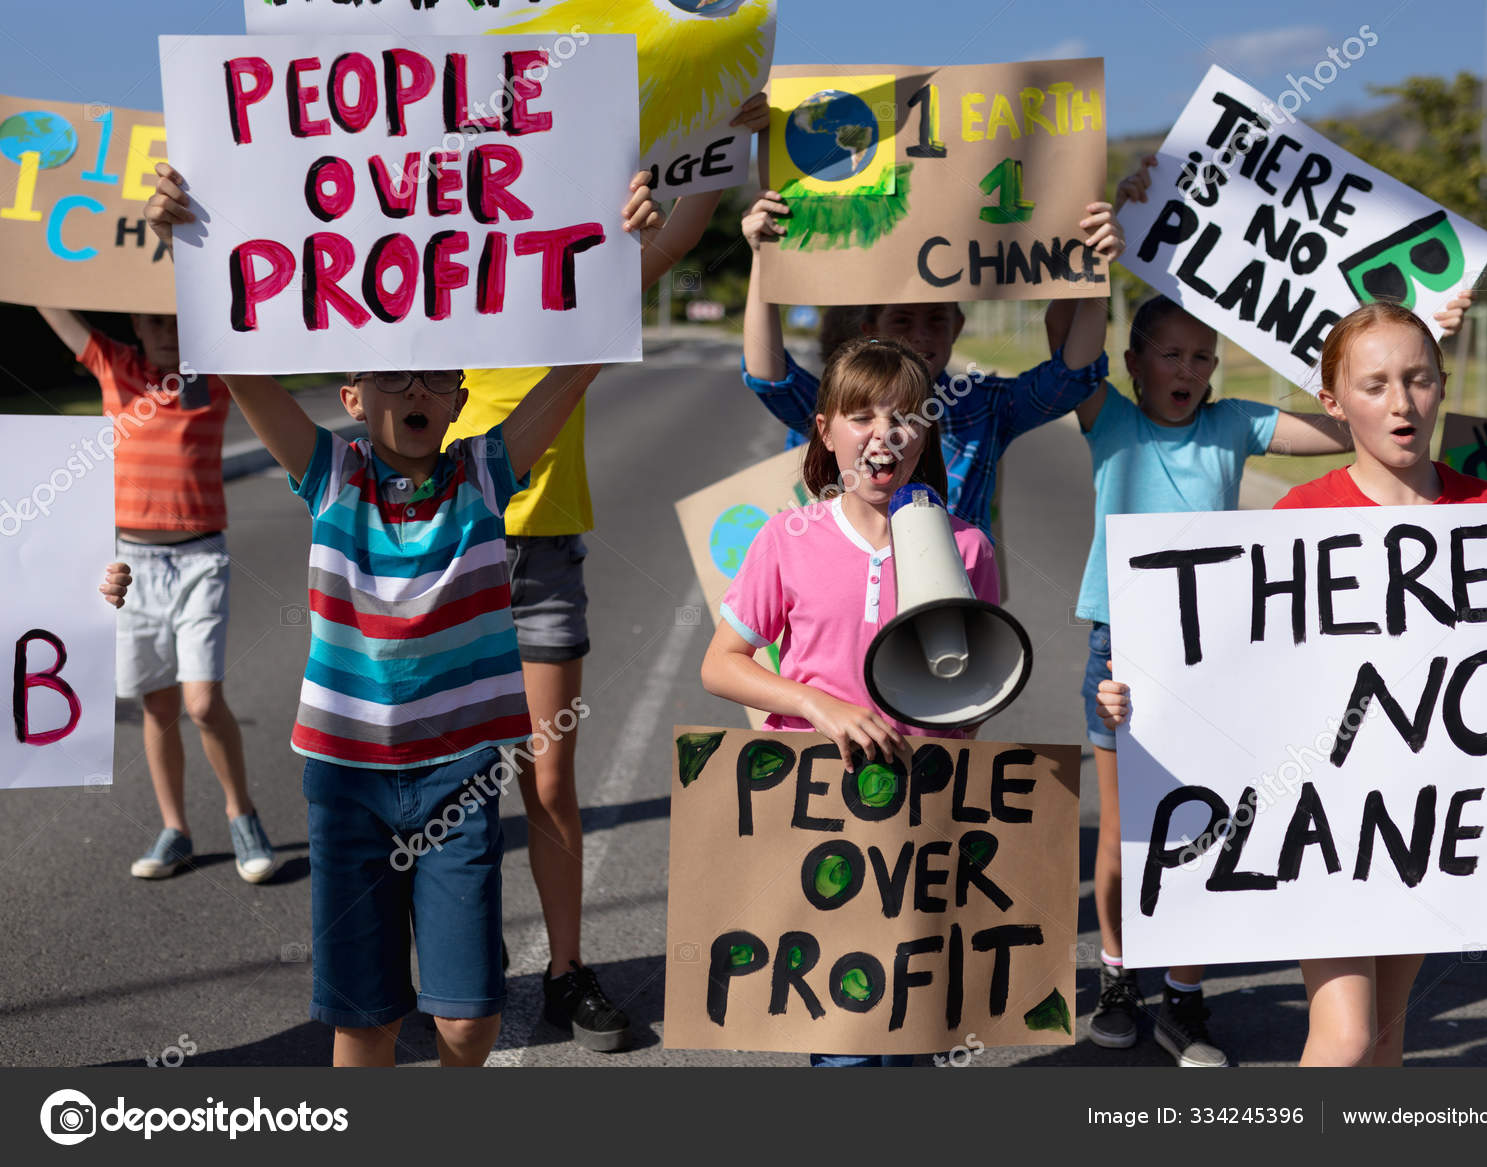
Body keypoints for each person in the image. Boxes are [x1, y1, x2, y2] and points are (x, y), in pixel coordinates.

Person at [146, 161, 663, 1067]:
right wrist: (187, 245)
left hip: (459, 777)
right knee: (366, 1023)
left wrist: (625, 252)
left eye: (435, 377)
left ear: (460, 399)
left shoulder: (484, 475)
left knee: (467, 1019)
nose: (416, 390)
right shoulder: (330, 474)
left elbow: (577, 368)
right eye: (393, 376)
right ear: (354, 399)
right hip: (345, 783)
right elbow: (237, 365)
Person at [1072, 158, 1477, 1067]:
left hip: (1377, 756)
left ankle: (1184, 991)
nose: (1187, 369)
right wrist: (1101, 254)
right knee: (1141, 836)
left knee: (1383, 1022)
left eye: (1203, 355)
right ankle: (1123, 969)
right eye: (1169, 356)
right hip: (1135, 656)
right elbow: (1072, 353)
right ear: (1135, 364)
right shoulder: (1115, 421)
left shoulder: (1238, 424)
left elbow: (1353, 423)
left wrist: (1407, 344)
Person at [439, 93, 768, 1052]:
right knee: (449, 782)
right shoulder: (420, 278)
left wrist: (718, 151)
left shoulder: (563, 268)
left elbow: (663, 252)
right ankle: (457, 970)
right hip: (437, 553)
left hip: (543, 554)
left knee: (550, 776)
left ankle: (567, 972)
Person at [702, 329, 1092, 1065]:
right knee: (843, 1037)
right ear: (825, 431)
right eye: (862, 416)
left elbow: (976, 689)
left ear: (926, 434)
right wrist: (819, 706)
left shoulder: (969, 547)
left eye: (905, 417)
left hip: (923, 819)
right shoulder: (787, 538)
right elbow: (722, 664)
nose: (884, 435)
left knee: (913, 1034)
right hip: (821, 814)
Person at [34, 306, 274, 884]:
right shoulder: (114, 366)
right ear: (135, 329)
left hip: (200, 558)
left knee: (200, 703)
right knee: (156, 704)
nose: (167, 333)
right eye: (155, 324)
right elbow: (52, 305)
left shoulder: (213, 374)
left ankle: (242, 815)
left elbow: (251, 322)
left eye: (176, 321)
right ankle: (176, 830)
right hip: (131, 562)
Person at [738, 190, 1125, 535]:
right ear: (871, 328)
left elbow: (1072, 377)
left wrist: (1092, 267)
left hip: (951, 602)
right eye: (903, 321)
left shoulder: (985, 405)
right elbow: (770, 375)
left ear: (957, 326)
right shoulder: (844, 401)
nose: (921, 334)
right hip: (855, 603)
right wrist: (761, 259)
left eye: (936, 319)